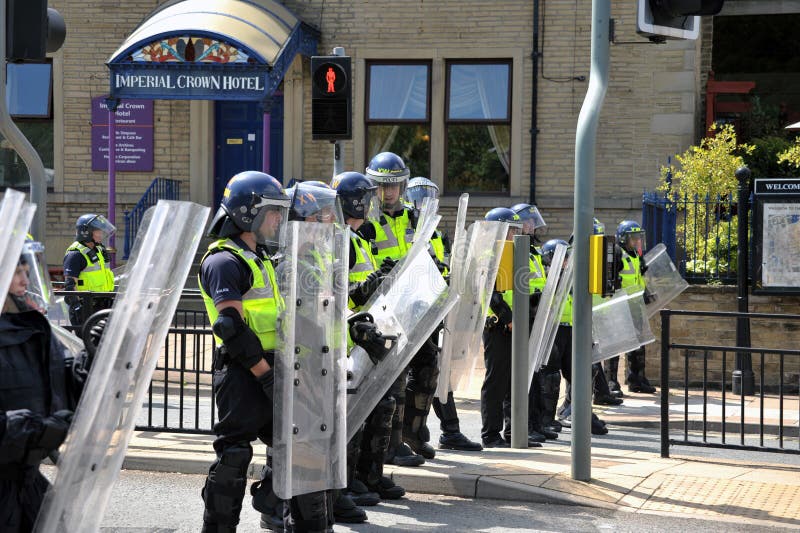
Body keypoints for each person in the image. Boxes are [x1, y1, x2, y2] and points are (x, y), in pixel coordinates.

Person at [198, 171, 332, 533]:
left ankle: (296, 519)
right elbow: (231, 329)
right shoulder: (224, 261)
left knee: (303, 452)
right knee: (235, 455)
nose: (279, 220)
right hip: (245, 373)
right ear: (247, 213)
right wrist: (265, 374)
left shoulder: (261, 258)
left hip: (277, 368)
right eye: (273, 212)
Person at [1, 238, 93, 532]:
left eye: (26, 271)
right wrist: (34, 430)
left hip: (26, 484)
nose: (24, 281)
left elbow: (64, 388)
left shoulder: (31, 330)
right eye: (16, 272)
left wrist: (98, 357)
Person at [332, 171, 408, 503]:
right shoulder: (340, 239)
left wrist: (382, 278)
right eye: (365, 197)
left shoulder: (359, 238)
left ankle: (370, 474)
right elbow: (341, 294)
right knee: (355, 410)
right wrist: (373, 283)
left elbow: (360, 290)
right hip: (349, 336)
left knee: (379, 406)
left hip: (368, 331)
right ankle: (347, 482)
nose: (371, 203)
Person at [357, 152, 428, 467]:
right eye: (381, 186)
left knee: (422, 372)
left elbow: (430, 252)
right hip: (378, 308)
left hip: (413, 305)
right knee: (390, 382)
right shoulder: (365, 222)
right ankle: (390, 446)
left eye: (394, 186)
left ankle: (410, 436)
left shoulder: (415, 217)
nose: (388, 193)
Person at [404, 177, 483, 452]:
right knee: (417, 376)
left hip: (435, 311)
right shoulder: (404, 227)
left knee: (436, 371)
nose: (423, 203)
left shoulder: (437, 233)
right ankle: (416, 429)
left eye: (428, 198)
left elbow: (445, 266)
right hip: (406, 313)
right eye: (418, 197)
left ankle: (446, 430)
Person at [605, 220, 657, 394]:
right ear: (623, 238)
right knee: (616, 344)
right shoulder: (618, 253)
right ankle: (611, 382)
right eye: (633, 238)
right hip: (619, 306)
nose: (636, 241)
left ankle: (637, 379)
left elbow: (638, 278)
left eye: (638, 238)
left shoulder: (636, 254)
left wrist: (646, 292)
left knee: (639, 344)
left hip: (635, 304)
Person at [63, 214, 116, 327]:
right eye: (98, 231)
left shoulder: (99, 250)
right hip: (86, 308)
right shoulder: (75, 254)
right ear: (86, 232)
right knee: (91, 343)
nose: (101, 234)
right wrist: (77, 308)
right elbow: (70, 286)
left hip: (104, 305)